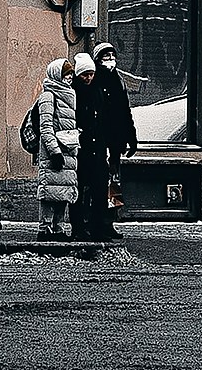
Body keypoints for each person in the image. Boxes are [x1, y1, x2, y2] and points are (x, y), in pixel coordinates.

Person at [74, 41, 138, 246]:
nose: (110, 60)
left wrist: (130, 136)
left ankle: (108, 221)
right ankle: (93, 222)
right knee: (95, 184)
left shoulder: (117, 80)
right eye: (105, 57)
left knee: (112, 184)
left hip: (113, 140)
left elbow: (124, 111)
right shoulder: (94, 81)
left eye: (112, 56)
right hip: (98, 140)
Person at [20, 52, 78, 243]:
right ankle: (45, 228)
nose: (69, 78)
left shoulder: (70, 94)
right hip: (53, 151)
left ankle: (59, 228)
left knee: (63, 192)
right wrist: (54, 151)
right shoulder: (48, 96)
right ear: (56, 75)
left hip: (69, 149)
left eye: (71, 74)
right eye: (66, 74)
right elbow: (46, 127)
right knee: (49, 192)